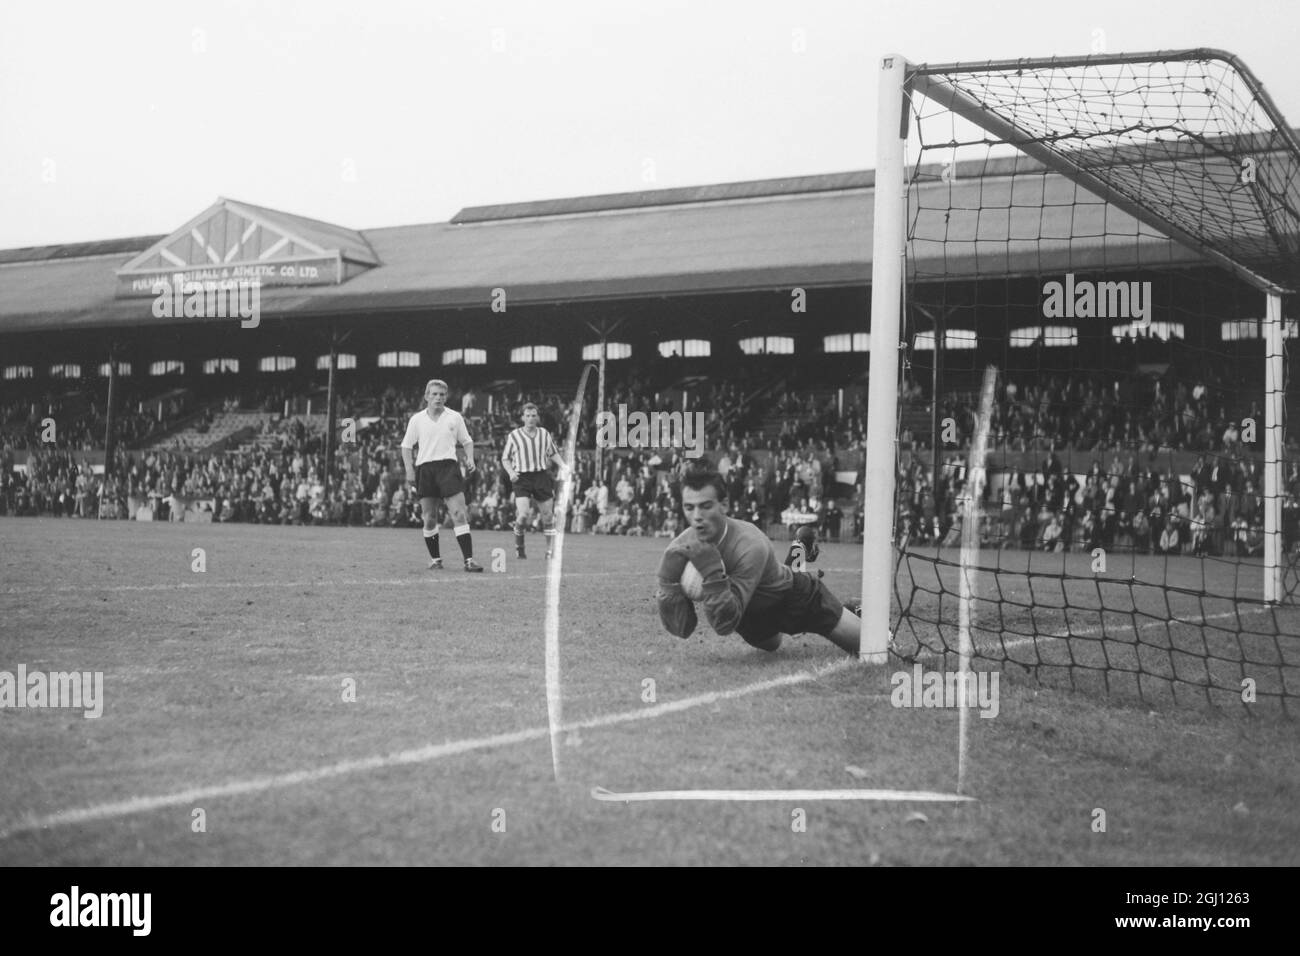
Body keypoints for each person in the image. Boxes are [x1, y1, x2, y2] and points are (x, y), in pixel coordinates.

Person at [655, 468, 863, 656]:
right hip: (748, 615)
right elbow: (681, 629)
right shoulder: (679, 547)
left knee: (871, 647)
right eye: (689, 507)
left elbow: (723, 625)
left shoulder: (750, 544)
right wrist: (668, 587)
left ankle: (849, 610)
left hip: (792, 598)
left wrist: (711, 571)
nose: (697, 516)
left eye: (706, 506)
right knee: (771, 645)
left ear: (724, 505)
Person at [400, 379, 483, 572]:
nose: (438, 397)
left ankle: (469, 560)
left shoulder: (454, 417)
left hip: (448, 468)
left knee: (459, 513)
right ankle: (435, 560)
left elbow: (467, 441)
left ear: (446, 397)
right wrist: (410, 470)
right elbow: (406, 446)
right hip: (425, 469)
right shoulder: (417, 419)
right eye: (434, 394)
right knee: (429, 517)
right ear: (427, 396)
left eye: (442, 395)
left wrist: (469, 458)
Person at [501, 402, 569, 559]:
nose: (531, 418)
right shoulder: (514, 436)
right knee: (523, 514)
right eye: (528, 415)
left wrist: (563, 466)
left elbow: (552, 453)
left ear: (537, 417)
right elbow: (505, 458)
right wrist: (511, 472)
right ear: (522, 417)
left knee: (547, 516)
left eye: (533, 415)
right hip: (521, 478)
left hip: (540, 476)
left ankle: (550, 552)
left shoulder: (544, 434)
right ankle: (519, 547)